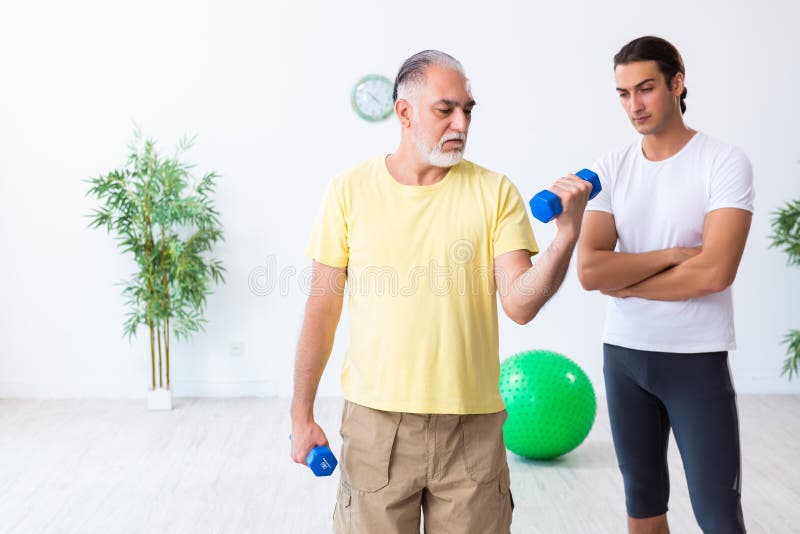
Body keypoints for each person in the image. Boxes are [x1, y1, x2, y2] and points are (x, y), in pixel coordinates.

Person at [290, 49, 592, 534]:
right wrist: (301, 414)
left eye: (467, 110)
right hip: (376, 427)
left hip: (471, 430)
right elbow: (322, 308)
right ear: (404, 113)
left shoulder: (495, 192)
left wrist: (566, 238)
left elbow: (519, 303)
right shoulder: (348, 191)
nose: (461, 123)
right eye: (445, 109)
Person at [577, 36, 754, 534]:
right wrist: (675, 257)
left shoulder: (722, 161)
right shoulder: (610, 167)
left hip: (695, 360)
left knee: (718, 516)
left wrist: (627, 280)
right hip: (625, 358)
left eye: (646, 88)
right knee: (643, 505)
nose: (634, 104)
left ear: (677, 84)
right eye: (623, 93)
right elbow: (590, 270)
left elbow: (715, 272)